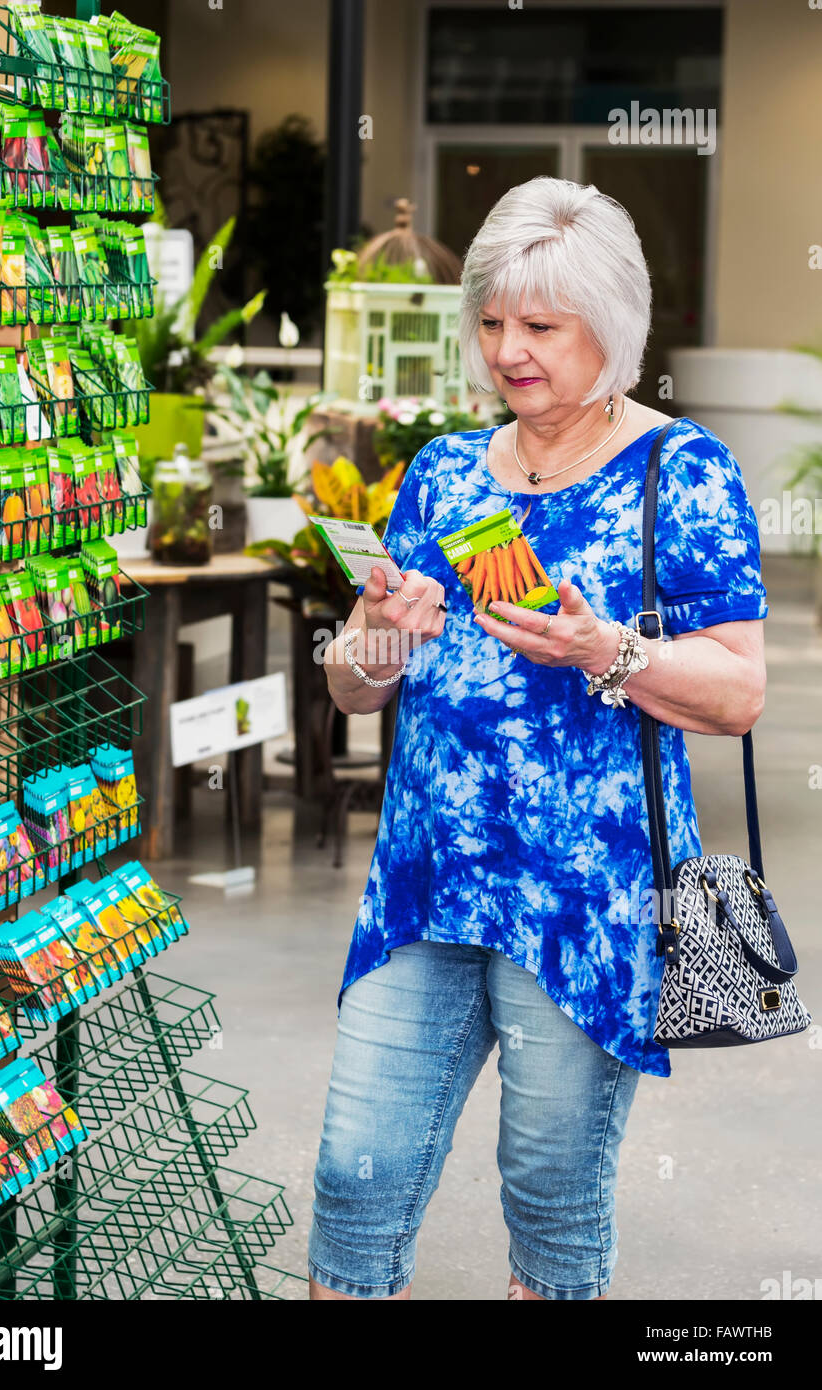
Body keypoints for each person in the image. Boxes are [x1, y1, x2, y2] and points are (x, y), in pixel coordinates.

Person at [307, 176, 768, 1301]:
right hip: (421, 887)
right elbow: (354, 694)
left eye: (540, 326)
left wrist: (603, 651)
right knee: (351, 1170)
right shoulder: (444, 473)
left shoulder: (680, 472)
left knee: (549, 1189)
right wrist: (374, 632)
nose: (507, 349)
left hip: (583, 905)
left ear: (608, 329)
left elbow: (736, 692)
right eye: (493, 321)